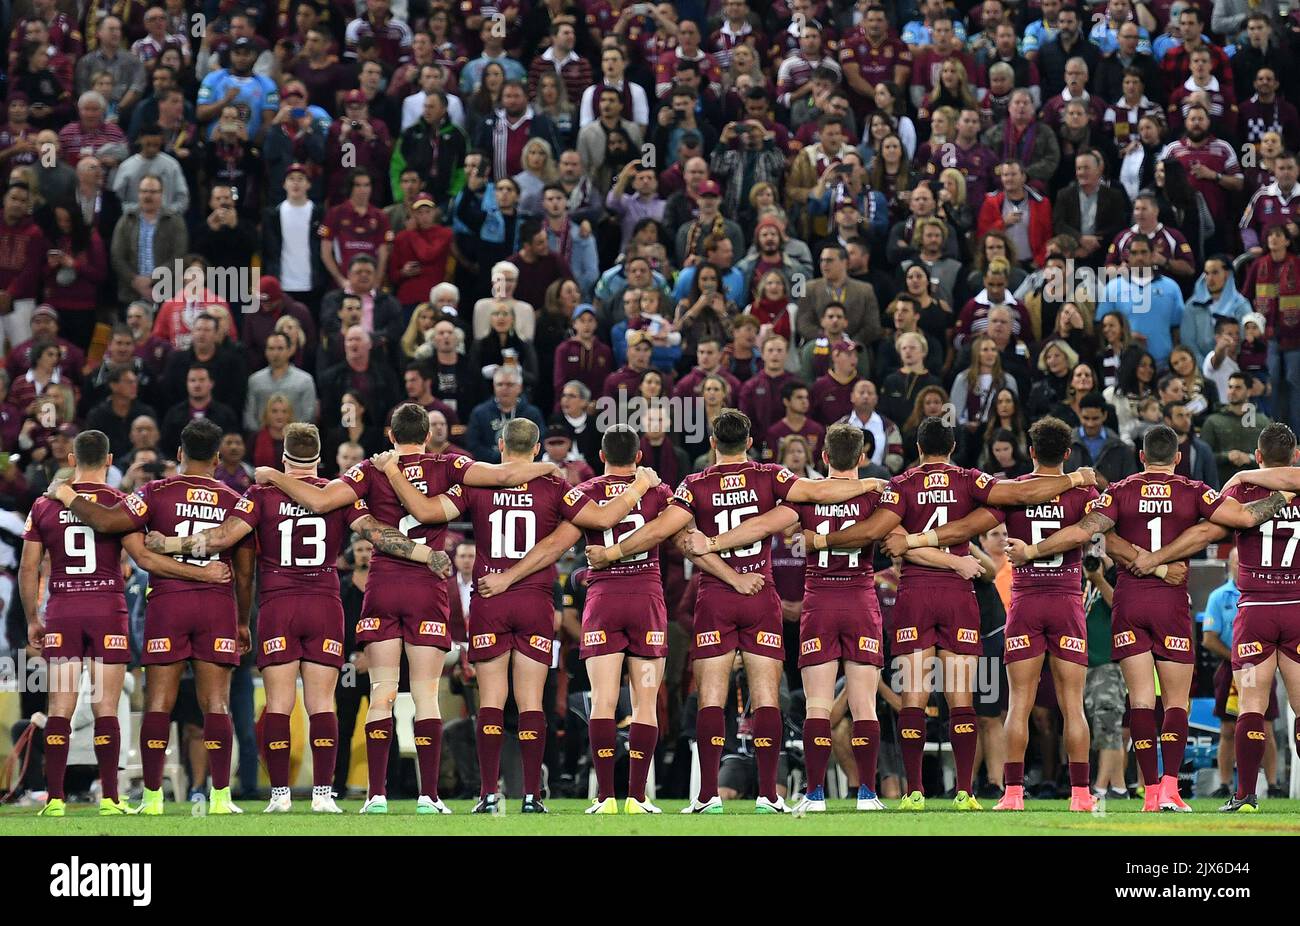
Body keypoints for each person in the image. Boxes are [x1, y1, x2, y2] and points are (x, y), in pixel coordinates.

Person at [584, 409, 889, 814]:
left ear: (712, 443)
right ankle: (768, 793)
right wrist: (869, 482)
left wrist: (613, 552)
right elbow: (814, 496)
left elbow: (667, 533)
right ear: (749, 443)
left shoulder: (694, 484)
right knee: (766, 696)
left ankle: (708, 795)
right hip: (761, 593)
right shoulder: (771, 475)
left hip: (714, 596)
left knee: (712, 697)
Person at [797, 416, 1100, 809]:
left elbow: (889, 539)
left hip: (916, 595)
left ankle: (915, 792)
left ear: (918, 449)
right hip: (961, 596)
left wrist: (819, 538)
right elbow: (1017, 499)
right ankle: (966, 791)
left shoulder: (901, 485)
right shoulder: (971, 481)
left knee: (914, 697)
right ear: (953, 449)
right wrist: (1076, 480)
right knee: (962, 698)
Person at [145, 422, 442, 813]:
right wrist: (425, 554)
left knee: (280, 702)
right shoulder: (339, 494)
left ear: (284, 458)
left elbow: (220, 539)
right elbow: (377, 533)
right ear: (318, 459)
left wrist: (169, 543)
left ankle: (280, 796)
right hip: (324, 602)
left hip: (278, 604)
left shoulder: (262, 492)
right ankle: (323, 796)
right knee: (322, 703)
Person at [382, 417, 658, 812]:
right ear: (536, 448)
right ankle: (531, 795)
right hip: (534, 599)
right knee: (531, 702)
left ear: (499, 445)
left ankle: (488, 795)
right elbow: (600, 520)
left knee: (491, 701)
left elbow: (425, 511)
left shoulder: (476, 484)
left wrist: (392, 469)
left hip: (491, 596)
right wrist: (641, 486)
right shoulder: (554, 484)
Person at [1011, 424, 1290, 812]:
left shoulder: (1121, 491)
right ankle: (1172, 789)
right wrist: (1281, 496)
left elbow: (1091, 533)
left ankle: (1152, 794)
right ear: (1177, 458)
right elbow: (1242, 518)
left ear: (1141, 457)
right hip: (1171, 602)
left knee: (1140, 702)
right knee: (1177, 702)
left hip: (1129, 600)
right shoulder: (1194, 490)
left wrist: (1037, 550)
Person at [890, 417, 1108, 811]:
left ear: (1030, 451)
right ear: (1068, 453)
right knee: (1072, 705)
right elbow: (1086, 532)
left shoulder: (1012, 492)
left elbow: (969, 526)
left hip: (1023, 601)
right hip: (1066, 599)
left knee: (1019, 702)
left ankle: (1011, 793)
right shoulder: (1085, 491)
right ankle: (1080, 795)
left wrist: (921, 540)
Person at [47, 419, 252, 814]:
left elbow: (106, 522)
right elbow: (244, 571)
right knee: (215, 703)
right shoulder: (235, 499)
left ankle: (154, 799)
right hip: (216, 605)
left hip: (168, 604)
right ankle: (221, 798)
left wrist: (67, 494)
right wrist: (242, 620)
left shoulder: (154, 492)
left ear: (179, 454)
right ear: (216, 458)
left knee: (159, 702)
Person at [470, 425, 673, 813]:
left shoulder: (583, 491)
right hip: (646, 597)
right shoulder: (657, 491)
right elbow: (676, 529)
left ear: (600, 455)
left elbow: (556, 544)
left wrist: (508, 576)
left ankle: (603, 798)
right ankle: (637, 797)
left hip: (601, 601)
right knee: (645, 702)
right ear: (640, 457)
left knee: (602, 701)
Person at [1201, 372, 1273, 482]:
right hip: (1221, 483)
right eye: (1230, 387)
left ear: (1249, 391)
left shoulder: (1263, 422)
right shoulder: (1213, 421)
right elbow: (1203, 456)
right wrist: (1227, 456)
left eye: (1238, 387)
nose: (1232, 391)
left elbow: (1272, 456)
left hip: (1256, 483)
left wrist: (1250, 458)